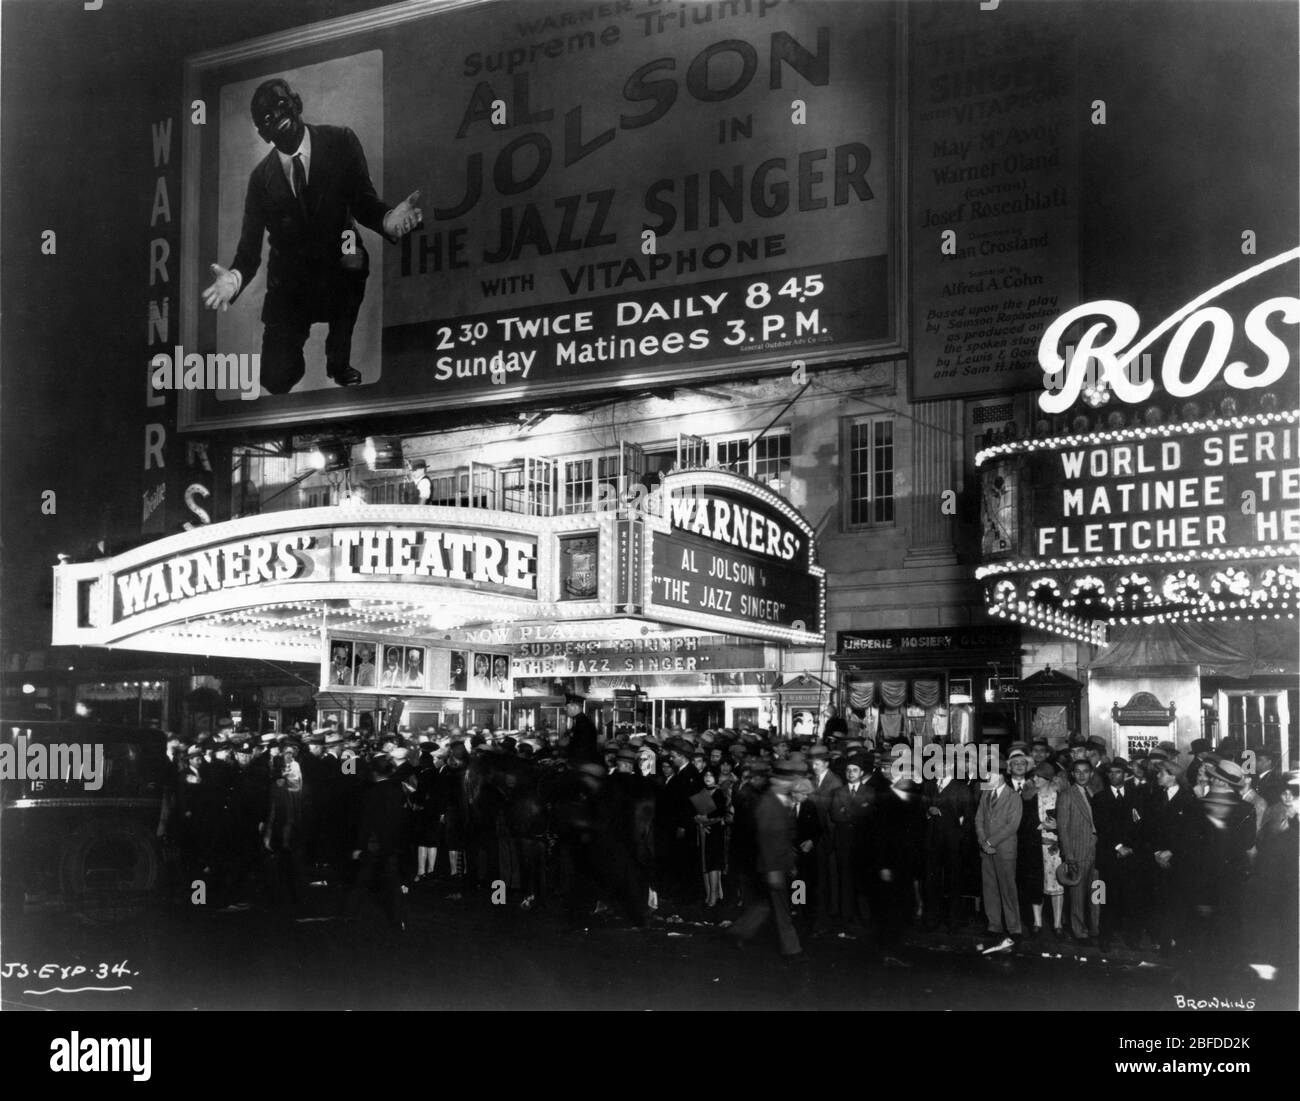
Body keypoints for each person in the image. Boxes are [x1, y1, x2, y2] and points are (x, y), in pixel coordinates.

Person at [202, 78, 422, 393]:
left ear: (297, 102)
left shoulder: (340, 141)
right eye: (267, 118)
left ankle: (338, 360)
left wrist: (388, 221)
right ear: (263, 134)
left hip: (342, 261)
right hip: (291, 285)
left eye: (281, 104)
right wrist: (234, 279)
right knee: (276, 379)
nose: (277, 116)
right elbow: (249, 251)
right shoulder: (259, 181)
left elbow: (363, 201)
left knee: (353, 263)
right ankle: (292, 361)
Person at [726, 765, 803, 959]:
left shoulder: (779, 801)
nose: (793, 783)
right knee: (780, 907)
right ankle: (792, 948)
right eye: (789, 780)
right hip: (772, 866)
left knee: (766, 905)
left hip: (777, 864)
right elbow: (766, 839)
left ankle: (741, 931)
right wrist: (774, 869)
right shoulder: (769, 804)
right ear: (778, 782)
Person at [345, 755, 408, 931]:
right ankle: (398, 920)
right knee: (394, 883)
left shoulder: (372, 793)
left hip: (374, 843)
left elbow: (366, 822)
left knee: (362, 880)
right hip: (391, 842)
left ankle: (351, 915)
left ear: (374, 772)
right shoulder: (398, 790)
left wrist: (359, 846)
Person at [1092, 757, 1143, 949]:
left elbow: (1140, 826)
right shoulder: (1099, 797)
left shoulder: (1136, 795)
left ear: (1126, 775)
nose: (1114, 776)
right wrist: (1118, 846)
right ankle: (1105, 937)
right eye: (1111, 773)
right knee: (1107, 898)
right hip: (1110, 855)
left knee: (1131, 897)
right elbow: (1103, 827)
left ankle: (1132, 937)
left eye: (1118, 772)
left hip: (1131, 856)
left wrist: (1131, 848)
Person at [921, 757, 974, 932]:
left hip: (953, 842)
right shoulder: (929, 786)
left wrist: (962, 839)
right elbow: (920, 809)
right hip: (932, 841)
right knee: (931, 880)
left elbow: (968, 818)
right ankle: (932, 919)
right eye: (935, 765)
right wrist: (928, 812)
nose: (938, 768)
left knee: (954, 881)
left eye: (943, 765)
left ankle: (954, 920)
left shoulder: (962, 788)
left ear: (951, 767)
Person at [975, 769, 1022, 952]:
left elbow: (1012, 826)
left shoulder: (1013, 797)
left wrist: (989, 841)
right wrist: (982, 841)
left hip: (1004, 850)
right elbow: (978, 819)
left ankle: (1014, 928)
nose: (986, 778)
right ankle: (994, 925)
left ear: (1001, 776)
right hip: (987, 850)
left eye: (990, 775)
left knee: (1008, 890)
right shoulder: (986, 792)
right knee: (990, 888)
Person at [1055, 759, 1100, 944]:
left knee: (1098, 893)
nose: (1082, 775)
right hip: (1078, 853)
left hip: (1098, 853)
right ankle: (1079, 931)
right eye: (1078, 772)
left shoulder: (1096, 793)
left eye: (1085, 771)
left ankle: (1096, 929)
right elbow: (1063, 828)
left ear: (1091, 774)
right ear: (1072, 774)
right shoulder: (1067, 795)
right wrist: (1069, 856)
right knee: (1077, 896)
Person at [1029, 761, 1064, 937]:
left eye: (1038, 776)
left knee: (1058, 885)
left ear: (1047, 778)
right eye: (1034, 776)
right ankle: (1037, 921)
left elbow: (1065, 823)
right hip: (1037, 848)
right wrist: (1040, 826)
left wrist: (1057, 829)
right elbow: (1026, 824)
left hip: (1055, 848)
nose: (1034, 778)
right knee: (1037, 885)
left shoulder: (1059, 796)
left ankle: (1058, 923)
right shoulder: (1030, 797)